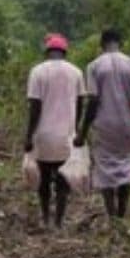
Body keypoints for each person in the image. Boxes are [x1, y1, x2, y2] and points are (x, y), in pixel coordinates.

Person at [78, 28, 130, 219]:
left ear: (101, 45)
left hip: (104, 124)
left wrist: (83, 131)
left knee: (104, 167)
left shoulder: (94, 66)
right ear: (120, 43)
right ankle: (122, 213)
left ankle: (111, 214)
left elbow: (93, 101)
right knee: (126, 165)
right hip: (127, 123)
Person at [24, 33, 86, 228]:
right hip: (66, 135)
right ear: (64, 52)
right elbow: (80, 102)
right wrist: (77, 129)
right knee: (62, 181)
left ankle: (45, 217)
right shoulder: (76, 72)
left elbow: (35, 105)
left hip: (43, 135)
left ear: (47, 52)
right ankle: (59, 221)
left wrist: (29, 135)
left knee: (43, 180)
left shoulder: (37, 72)